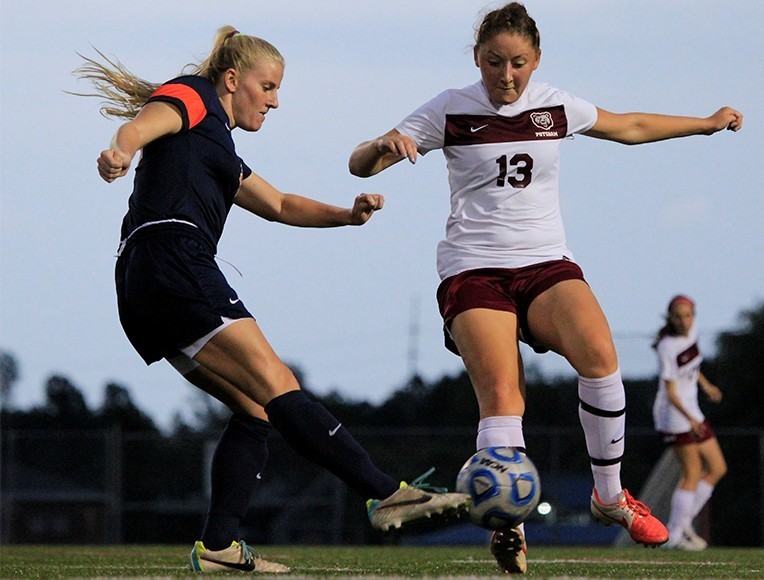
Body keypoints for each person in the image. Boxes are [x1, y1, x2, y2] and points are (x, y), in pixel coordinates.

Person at [348, 2, 741, 573]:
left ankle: (609, 496)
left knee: (602, 358)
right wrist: (382, 147)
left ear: (536, 60)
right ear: (476, 59)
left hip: (544, 262)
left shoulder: (554, 104)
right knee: (505, 398)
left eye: (518, 64)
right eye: (492, 63)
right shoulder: (449, 109)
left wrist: (703, 123)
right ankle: (509, 523)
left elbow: (628, 126)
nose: (505, 77)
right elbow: (359, 165)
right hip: (474, 269)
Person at [74, 26, 470, 574]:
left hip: (144, 278)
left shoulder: (213, 140)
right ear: (232, 80)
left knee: (256, 407)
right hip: (174, 260)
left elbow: (279, 203)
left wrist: (347, 215)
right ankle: (385, 493)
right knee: (278, 383)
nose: (276, 100)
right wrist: (120, 149)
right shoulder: (193, 94)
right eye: (269, 86)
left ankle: (218, 547)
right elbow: (144, 123)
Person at [652, 295, 728, 550]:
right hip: (674, 415)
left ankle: (682, 525)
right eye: (679, 316)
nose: (684, 321)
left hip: (692, 411)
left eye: (688, 315)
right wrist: (690, 419)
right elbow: (671, 392)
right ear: (670, 318)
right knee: (692, 472)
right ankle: (674, 534)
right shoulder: (667, 346)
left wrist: (706, 387)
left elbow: (693, 368)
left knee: (717, 468)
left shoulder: (692, 333)